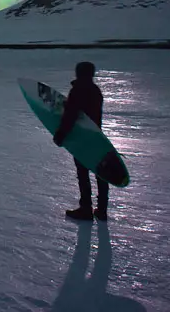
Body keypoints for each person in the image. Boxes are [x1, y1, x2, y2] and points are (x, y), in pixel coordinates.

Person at [53, 61, 108, 222]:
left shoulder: (77, 91)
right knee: (99, 173)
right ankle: (102, 209)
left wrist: (60, 135)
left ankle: (86, 209)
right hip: (96, 137)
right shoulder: (96, 91)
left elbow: (70, 116)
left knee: (83, 173)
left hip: (82, 138)